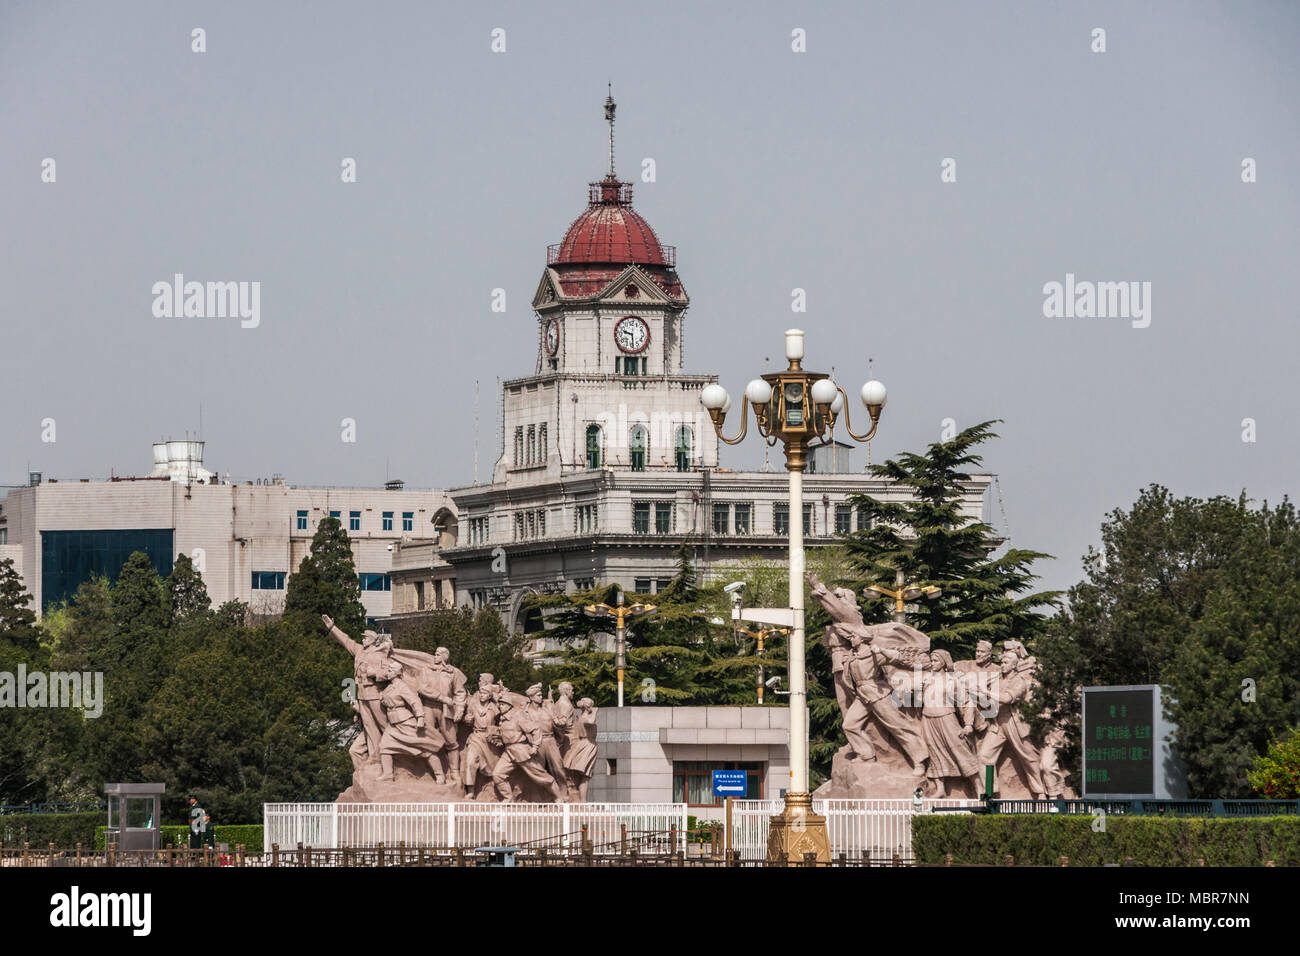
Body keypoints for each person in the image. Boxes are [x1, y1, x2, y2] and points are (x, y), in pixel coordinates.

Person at [842, 634, 929, 775]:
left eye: (854, 636)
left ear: (863, 638)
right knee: (849, 725)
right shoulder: (852, 656)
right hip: (862, 696)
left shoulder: (873, 653)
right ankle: (866, 755)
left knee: (899, 726)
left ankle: (919, 760)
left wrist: (881, 650)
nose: (851, 639)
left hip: (878, 694)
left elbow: (896, 657)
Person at [978, 650, 1046, 798]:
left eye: (1006, 662)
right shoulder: (997, 680)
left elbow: (1007, 698)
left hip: (1013, 722)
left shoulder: (1019, 681)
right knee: (984, 756)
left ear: (1014, 665)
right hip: (997, 724)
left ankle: (1040, 791)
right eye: (1001, 662)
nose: (1002, 665)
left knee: (1028, 757)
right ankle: (991, 791)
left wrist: (987, 693)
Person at [919, 650, 981, 797]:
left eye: (935, 660)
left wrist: (968, 724)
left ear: (943, 662)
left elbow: (967, 702)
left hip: (947, 718)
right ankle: (940, 789)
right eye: (931, 660)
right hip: (927, 719)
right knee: (934, 751)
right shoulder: (926, 679)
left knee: (960, 750)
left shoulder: (952, 681)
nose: (932, 663)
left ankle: (979, 788)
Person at [374, 658, 447, 783]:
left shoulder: (402, 686)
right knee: (385, 747)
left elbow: (415, 701)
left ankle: (440, 775)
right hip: (394, 724)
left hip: (405, 721)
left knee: (423, 748)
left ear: (397, 673)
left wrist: (420, 718)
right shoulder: (389, 687)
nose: (388, 671)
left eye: (391, 670)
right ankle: (388, 774)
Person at [491, 691, 564, 802]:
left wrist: (535, 746)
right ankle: (508, 798)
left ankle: (558, 797)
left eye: (502, 704)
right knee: (497, 774)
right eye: (499, 704)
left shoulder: (517, 717)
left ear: (508, 706)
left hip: (522, 752)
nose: (500, 706)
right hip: (509, 753)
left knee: (541, 777)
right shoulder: (502, 719)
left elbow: (535, 729)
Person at [460, 673, 504, 797]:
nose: (481, 695)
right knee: (470, 761)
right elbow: (467, 719)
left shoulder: (495, 708)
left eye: (484, 693)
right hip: (476, 737)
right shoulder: (473, 705)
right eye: (480, 692)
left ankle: (497, 791)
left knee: (495, 767)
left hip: (490, 740)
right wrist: (467, 719)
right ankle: (470, 792)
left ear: (490, 696)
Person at [563, 698, 599, 802]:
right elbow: (591, 721)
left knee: (582, 775)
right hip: (588, 745)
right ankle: (583, 801)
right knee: (585, 775)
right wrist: (595, 711)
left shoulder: (580, 718)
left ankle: (579, 799)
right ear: (589, 707)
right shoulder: (584, 718)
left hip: (583, 745)